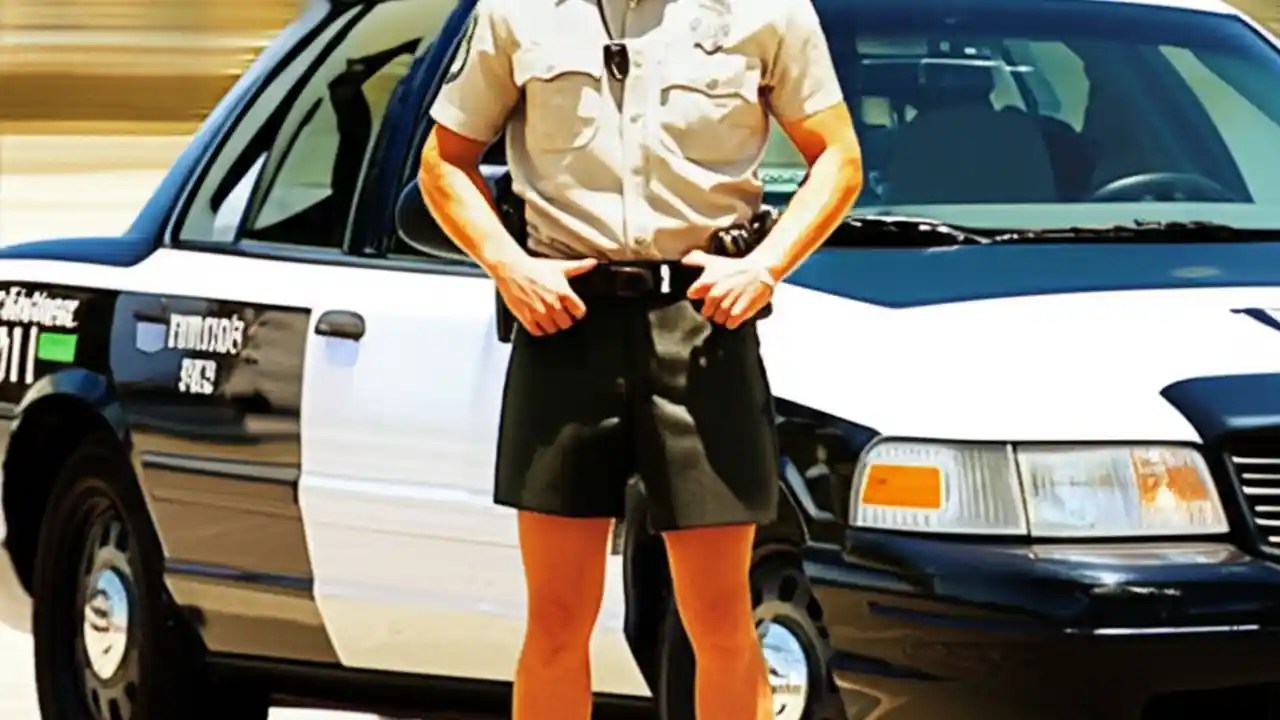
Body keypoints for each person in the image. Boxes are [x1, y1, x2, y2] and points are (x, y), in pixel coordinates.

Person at [418, 0, 861, 717]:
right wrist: (507, 266)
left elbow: (838, 158)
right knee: (557, 620)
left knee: (719, 619)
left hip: (702, 324)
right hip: (566, 322)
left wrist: (767, 267)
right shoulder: (518, 12)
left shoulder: (766, 10)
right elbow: (444, 161)